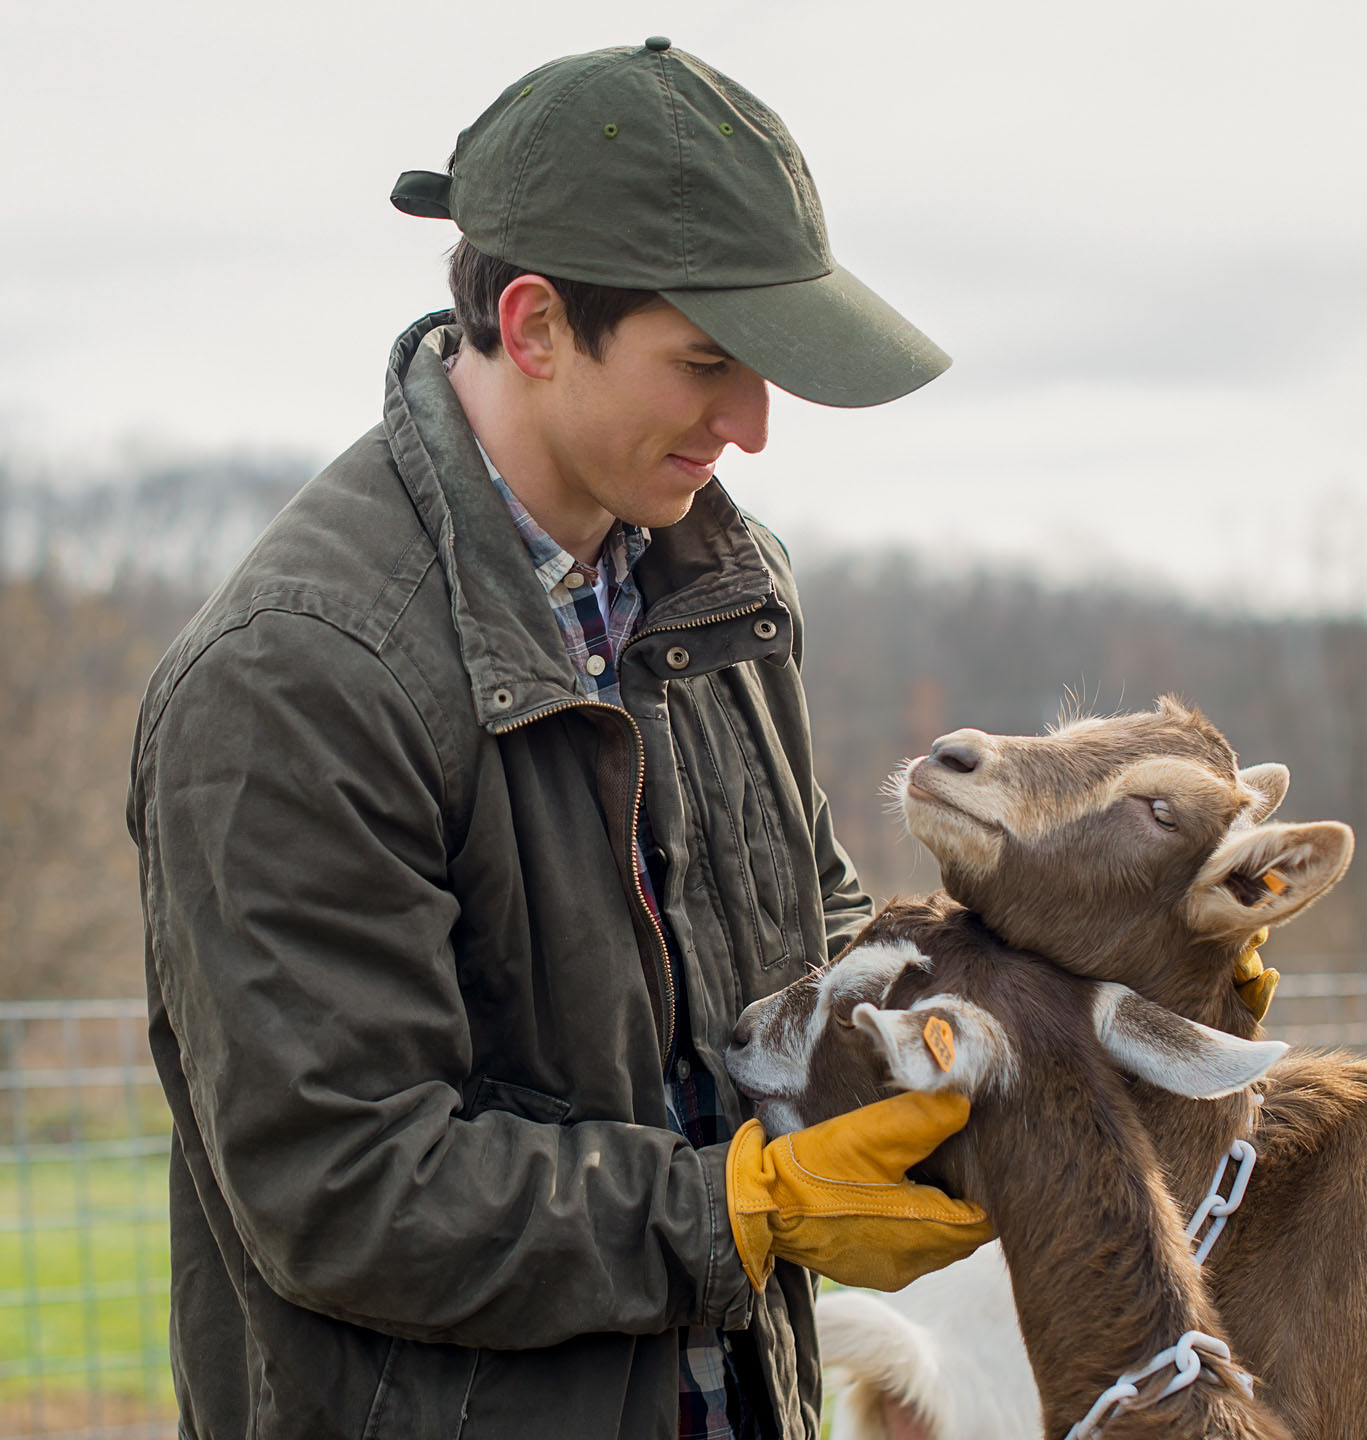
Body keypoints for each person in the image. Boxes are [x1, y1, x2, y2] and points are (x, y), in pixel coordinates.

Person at [128, 39, 996, 1440]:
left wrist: (1023, 994)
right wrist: (741, 1207)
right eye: (706, 362)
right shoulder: (296, 677)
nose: (754, 424)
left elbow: (801, 927)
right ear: (534, 326)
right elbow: (344, 1185)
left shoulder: (712, 585)